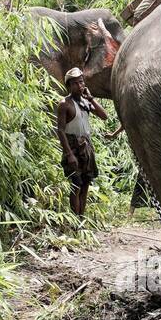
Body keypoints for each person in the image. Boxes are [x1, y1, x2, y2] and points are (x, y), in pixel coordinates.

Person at [56, 67, 108, 215]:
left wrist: (91, 98)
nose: (80, 86)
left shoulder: (85, 102)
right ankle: (75, 223)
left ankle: (81, 220)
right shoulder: (64, 104)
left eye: (81, 82)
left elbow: (104, 116)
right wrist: (69, 154)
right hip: (72, 146)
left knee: (85, 184)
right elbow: (60, 130)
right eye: (75, 83)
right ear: (69, 86)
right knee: (76, 185)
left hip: (86, 146)